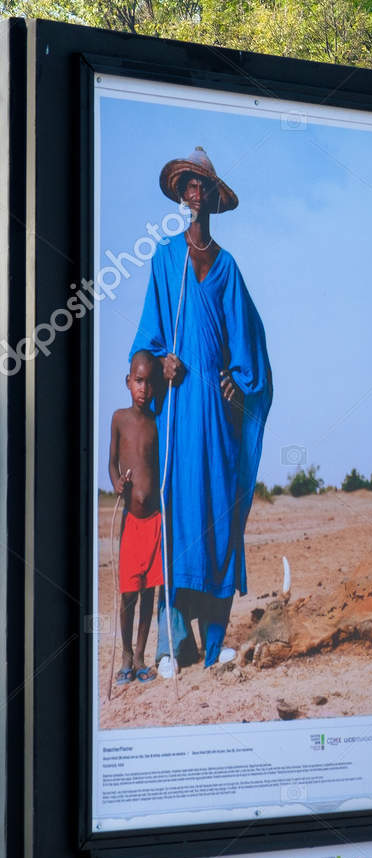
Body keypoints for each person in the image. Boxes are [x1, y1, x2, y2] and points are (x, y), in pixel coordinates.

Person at [134, 147, 272, 675]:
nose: (196, 192)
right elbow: (145, 339)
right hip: (176, 414)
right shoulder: (165, 259)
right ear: (180, 194)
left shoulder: (228, 267)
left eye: (203, 186)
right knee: (178, 518)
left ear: (214, 198)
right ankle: (172, 646)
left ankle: (214, 645)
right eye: (189, 184)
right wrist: (158, 363)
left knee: (218, 518)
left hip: (215, 416)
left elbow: (248, 341)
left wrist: (239, 387)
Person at [108, 350, 167, 685]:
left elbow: (159, 468)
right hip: (131, 519)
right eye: (138, 380)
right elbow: (112, 461)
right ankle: (126, 657)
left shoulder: (156, 424)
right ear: (128, 381)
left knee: (148, 593)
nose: (143, 388)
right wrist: (117, 482)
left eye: (149, 382)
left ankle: (142, 658)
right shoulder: (119, 418)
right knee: (128, 593)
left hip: (154, 521)